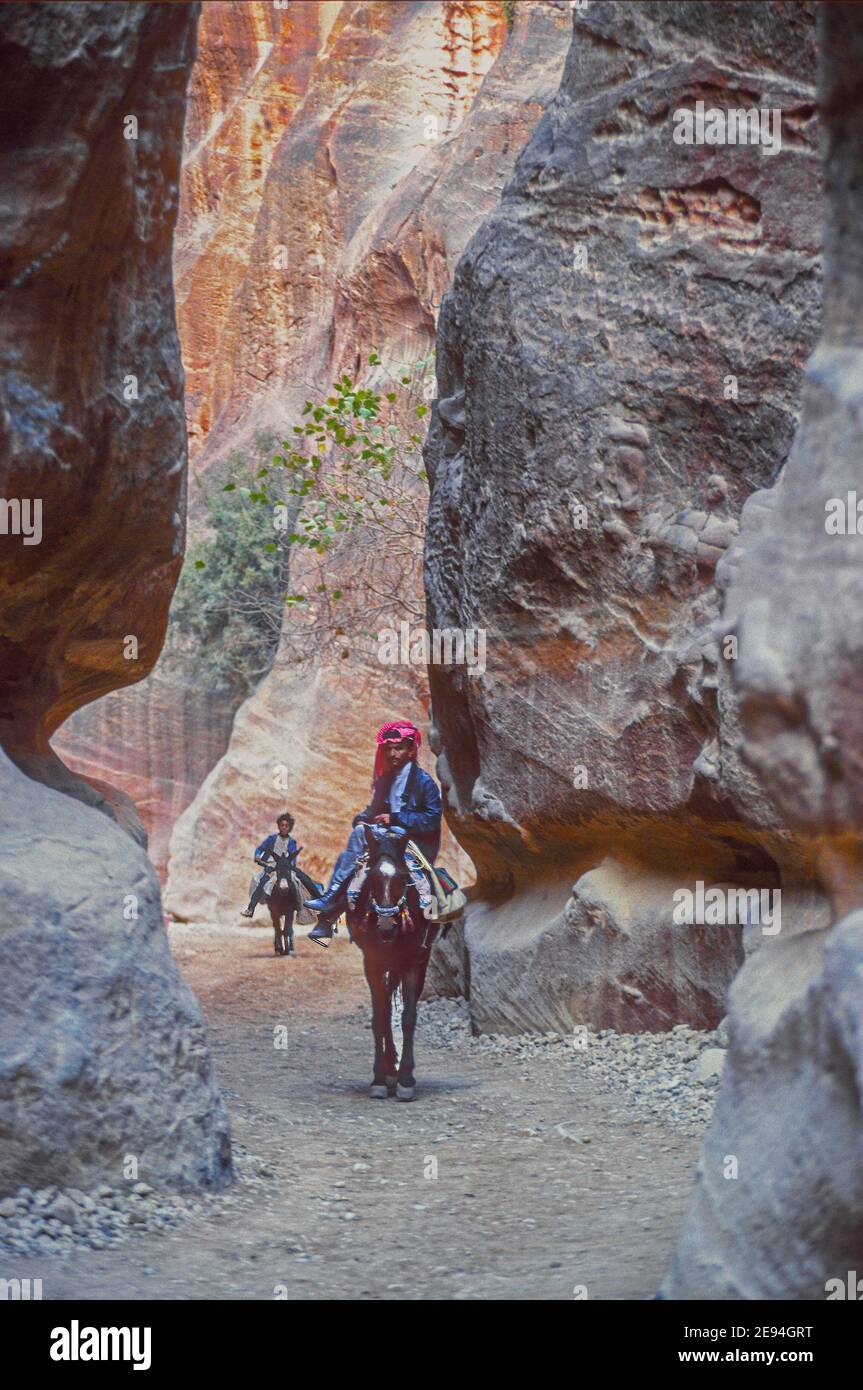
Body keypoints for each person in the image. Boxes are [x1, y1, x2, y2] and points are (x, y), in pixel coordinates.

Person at [306, 720, 442, 945]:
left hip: (416, 842)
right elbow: (375, 809)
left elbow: (432, 820)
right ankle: (330, 910)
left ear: (410, 751)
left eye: (398, 748)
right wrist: (362, 818)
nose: (392, 753)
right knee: (354, 855)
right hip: (389, 838)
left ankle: (426, 926)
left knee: (415, 881)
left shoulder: (424, 782)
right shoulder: (386, 780)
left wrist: (396, 818)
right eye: (388, 749)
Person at [240, 813, 320, 918]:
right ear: (279, 826)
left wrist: (288, 866)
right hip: (272, 867)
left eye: (286, 826)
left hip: (286, 867)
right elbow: (260, 848)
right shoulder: (272, 838)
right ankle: (250, 909)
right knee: (262, 882)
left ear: (289, 827)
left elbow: (292, 858)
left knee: (302, 880)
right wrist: (257, 855)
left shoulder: (291, 842)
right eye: (282, 825)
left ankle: (318, 902)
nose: (284, 827)